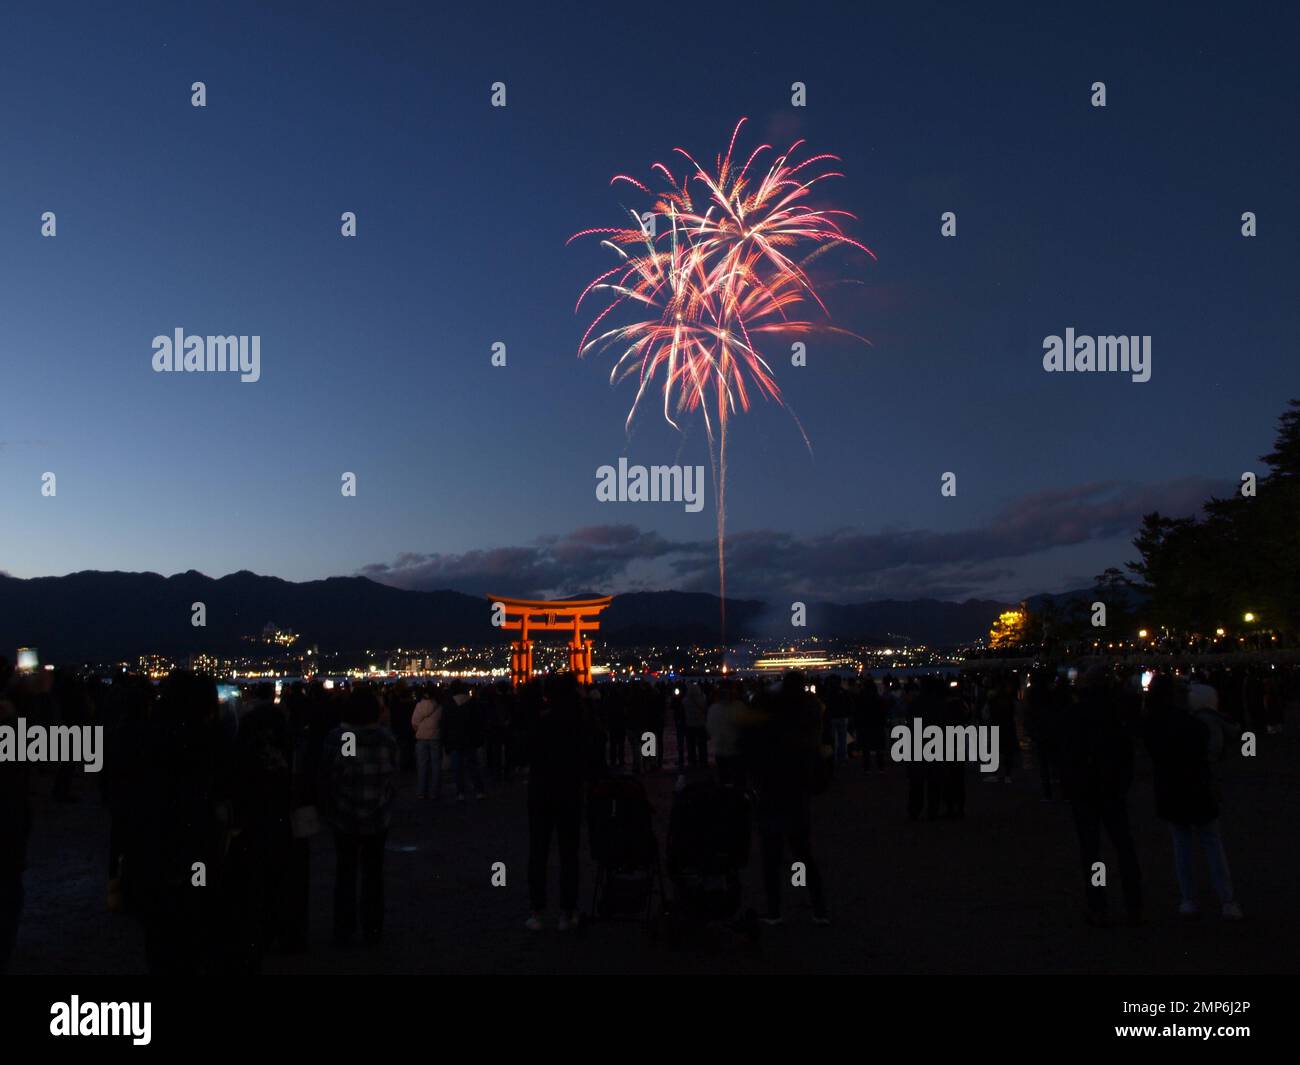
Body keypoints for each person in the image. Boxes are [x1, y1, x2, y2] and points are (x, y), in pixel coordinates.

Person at [1142, 674, 1243, 920]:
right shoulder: (1195, 725)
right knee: (1211, 842)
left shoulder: (1152, 724)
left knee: (1182, 844)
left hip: (1170, 788)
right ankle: (1226, 900)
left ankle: (1188, 899)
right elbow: (1209, 752)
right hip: (1197, 786)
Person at [1059, 669, 1142, 926]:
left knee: (1092, 852)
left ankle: (1098, 904)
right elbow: (1127, 751)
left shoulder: (1073, 714)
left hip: (1084, 790)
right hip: (1113, 788)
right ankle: (1134, 904)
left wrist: (1069, 784)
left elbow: (1065, 754)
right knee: (1124, 846)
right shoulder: (1117, 712)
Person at [746, 672, 829, 925]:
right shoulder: (809, 717)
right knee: (803, 852)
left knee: (771, 855)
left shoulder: (769, 718)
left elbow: (752, 731)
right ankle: (819, 910)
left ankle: (774, 911)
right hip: (798, 792)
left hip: (771, 791)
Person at [319, 687, 398, 944]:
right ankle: (373, 928)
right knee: (374, 874)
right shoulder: (387, 739)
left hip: (344, 816)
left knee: (345, 872)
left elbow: (328, 776)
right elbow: (392, 776)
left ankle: (344, 928)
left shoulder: (338, 738)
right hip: (378, 817)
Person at [525, 673, 590, 931]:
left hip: (540, 792)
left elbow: (527, 749)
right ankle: (568, 911)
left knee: (538, 852)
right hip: (569, 792)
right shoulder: (579, 720)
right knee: (569, 853)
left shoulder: (540, 720)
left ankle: (538, 911)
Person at [706, 681, 747, 788]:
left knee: (723, 779)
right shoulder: (740, 707)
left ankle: (725, 798)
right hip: (736, 750)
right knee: (738, 780)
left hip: (720, 750)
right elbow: (746, 727)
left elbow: (709, 728)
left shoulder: (713, 709)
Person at [410, 688, 443, 800]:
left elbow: (414, 722)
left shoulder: (419, 706)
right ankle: (435, 792)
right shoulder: (439, 707)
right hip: (435, 737)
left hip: (421, 737)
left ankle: (421, 792)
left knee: (422, 766)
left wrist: (419, 730)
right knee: (436, 766)